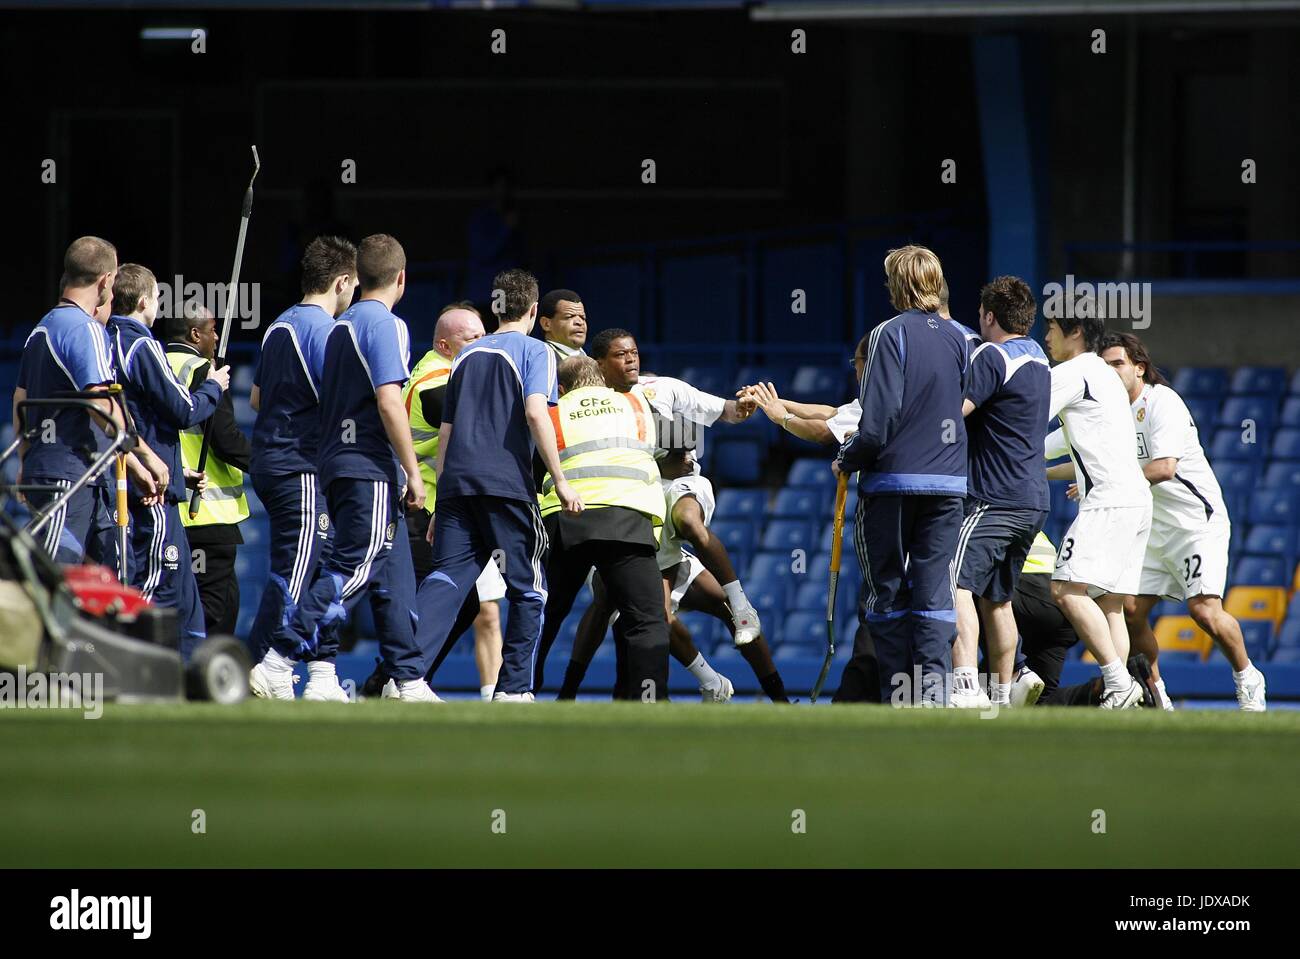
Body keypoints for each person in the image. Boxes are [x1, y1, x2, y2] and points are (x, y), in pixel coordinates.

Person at [253, 234, 426, 703]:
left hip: (307, 459)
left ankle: (394, 678)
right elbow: (386, 400)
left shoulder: (282, 327)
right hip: (332, 461)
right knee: (340, 566)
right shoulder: (354, 326)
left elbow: (256, 398)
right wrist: (414, 471)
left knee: (373, 570)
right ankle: (275, 658)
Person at [546, 328, 760, 698]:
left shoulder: (660, 389)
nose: (631, 359)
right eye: (620, 354)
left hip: (675, 488)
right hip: (630, 501)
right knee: (618, 604)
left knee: (690, 524)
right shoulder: (592, 408)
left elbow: (716, 415)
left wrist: (740, 407)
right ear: (599, 365)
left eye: (634, 352)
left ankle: (741, 606)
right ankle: (680, 687)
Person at [411, 268, 581, 703]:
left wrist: (442, 494)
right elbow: (536, 413)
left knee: (446, 581)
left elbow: (446, 431)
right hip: (505, 485)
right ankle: (513, 689)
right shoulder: (537, 352)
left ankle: (407, 678)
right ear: (534, 310)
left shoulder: (465, 356)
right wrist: (560, 479)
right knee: (529, 589)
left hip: (456, 489)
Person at [1098, 332, 1266, 711]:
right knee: (1130, 611)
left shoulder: (1162, 402)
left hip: (1195, 523)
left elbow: (1164, 468)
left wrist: (1110, 480)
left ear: (1139, 368)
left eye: (1117, 364)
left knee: (1204, 611)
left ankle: (1247, 677)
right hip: (1152, 529)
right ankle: (1157, 696)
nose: (1110, 372)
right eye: (1104, 366)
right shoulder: (1109, 416)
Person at [834, 245, 970, 706]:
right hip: (949, 486)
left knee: (886, 593)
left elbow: (878, 423)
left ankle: (898, 699)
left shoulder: (886, 335)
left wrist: (847, 457)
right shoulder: (960, 338)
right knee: (934, 598)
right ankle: (933, 698)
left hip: (892, 484)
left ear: (899, 284)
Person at [15, 237, 165, 567]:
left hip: (73, 473)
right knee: (54, 580)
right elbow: (101, 402)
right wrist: (146, 454)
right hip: (70, 476)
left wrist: (28, 460)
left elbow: (20, 400)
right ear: (106, 280)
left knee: (108, 583)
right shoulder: (85, 330)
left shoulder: (41, 329)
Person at [247, 235, 357, 680]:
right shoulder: (324, 330)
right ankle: (257, 665)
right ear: (343, 281)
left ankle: (321, 673)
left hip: (273, 461)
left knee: (309, 567)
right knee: (296, 572)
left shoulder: (278, 325)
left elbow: (256, 399)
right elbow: (338, 402)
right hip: (300, 465)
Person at [531, 355, 670, 699]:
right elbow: (668, 449)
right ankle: (648, 700)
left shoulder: (552, 412)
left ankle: (518, 689)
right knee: (647, 619)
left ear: (560, 389)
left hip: (565, 520)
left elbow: (535, 472)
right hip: (627, 518)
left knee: (543, 612)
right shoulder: (636, 403)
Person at [108, 264, 229, 655]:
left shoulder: (104, 339)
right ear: (144, 301)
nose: (159, 307)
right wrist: (214, 387)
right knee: (155, 584)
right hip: (151, 488)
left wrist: (180, 473)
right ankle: (136, 669)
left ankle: (189, 678)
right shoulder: (142, 344)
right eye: (157, 298)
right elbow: (182, 409)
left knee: (185, 599)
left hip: (156, 477)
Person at [1042, 307, 1152, 708]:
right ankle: (1117, 695)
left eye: (1051, 328)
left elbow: (1027, 414)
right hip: (1137, 501)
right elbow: (1060, 448)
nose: (1046, 338)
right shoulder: (1106, 378)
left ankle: (1119, 684)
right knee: (1112, 608)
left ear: (1074, 332)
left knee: (1064, 589)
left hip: (1108, 501)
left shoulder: (1075, 370)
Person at [950, 276, 1052, 708]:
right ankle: (1001, 697)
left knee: (949, 582)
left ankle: (965, 687)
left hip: (994, 497)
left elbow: (954, 417)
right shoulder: (1039, 357)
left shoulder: (992, 356)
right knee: (998, 599)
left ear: (990, 316)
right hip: (1034, 501)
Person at [398, 301, 507, 701]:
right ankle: (401, 679)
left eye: (484, 335)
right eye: (471, 338)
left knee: (462, 604)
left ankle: (405, 678)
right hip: (420, 510)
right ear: (445, 344)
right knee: (443, 602)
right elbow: (448, 406)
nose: (481, 343)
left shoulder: (450, 369)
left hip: (434, 507)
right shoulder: (434, 377)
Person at [165, 301, 250, 638]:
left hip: (171, 505)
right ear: (195, 333)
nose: (217, 337)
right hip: (206, 511)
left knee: (223, 601)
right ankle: (195, 676)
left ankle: (216, 676)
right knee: (213, 607)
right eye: (213, 330)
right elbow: (225, 439)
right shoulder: (202, 371)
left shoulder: (153, 365)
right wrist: (268, 465)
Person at [538, 289, 587, 362]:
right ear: (546, 324)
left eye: (583, 317)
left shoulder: (593, 361)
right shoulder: (540, 360)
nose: (579, 322)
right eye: (569, 316)